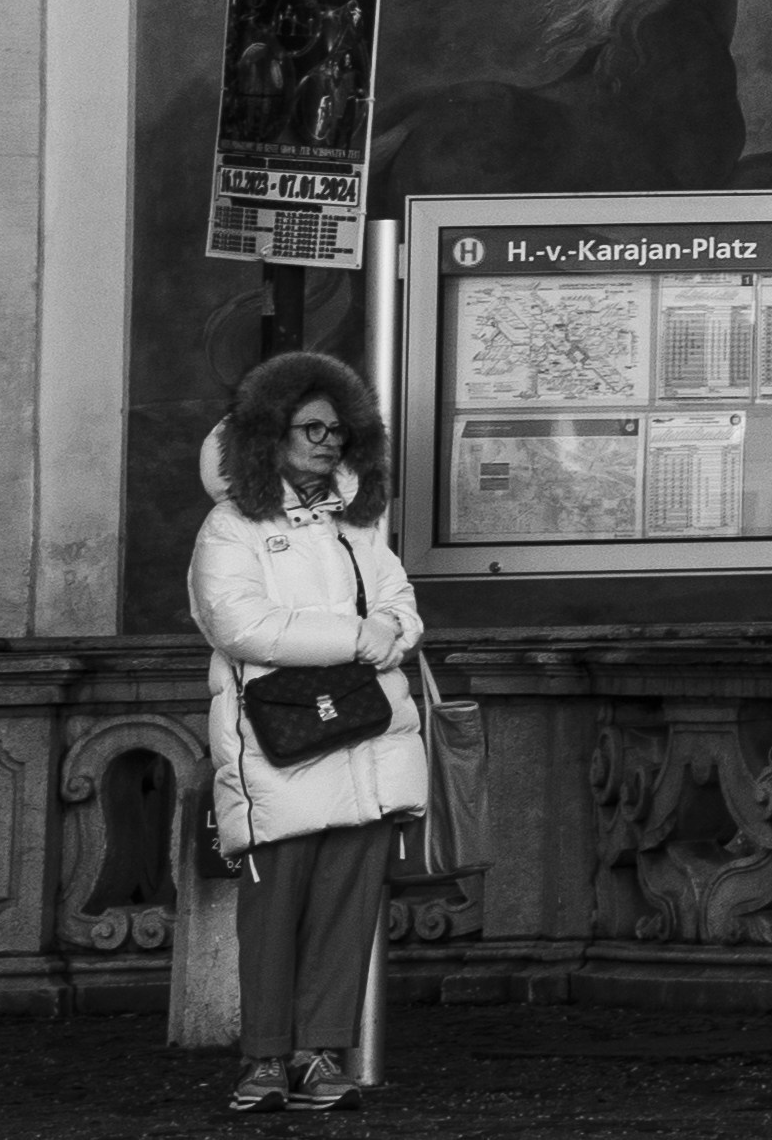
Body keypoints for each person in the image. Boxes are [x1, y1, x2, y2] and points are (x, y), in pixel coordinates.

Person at [193, 351, 444, 1117]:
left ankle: (318, 1055)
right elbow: (239, 624)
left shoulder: (357, 521)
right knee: (273, 910)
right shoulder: (232, 525)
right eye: (312, 426)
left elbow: (403, 607)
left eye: (339, 428)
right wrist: (359, 634)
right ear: (271, 432)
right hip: (280, 745)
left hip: (364, 741)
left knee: (347, 905)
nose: (328, 441)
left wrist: (387, 631)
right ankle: (264, 1059)